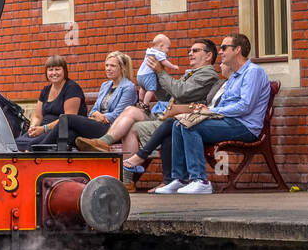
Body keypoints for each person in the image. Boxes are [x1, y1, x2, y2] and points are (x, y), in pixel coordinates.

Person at [153, 33, 271, 194]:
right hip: (228, 121)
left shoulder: (253, 72)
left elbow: (245, 106)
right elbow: (223, 104)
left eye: (224, 48)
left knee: (190, 126)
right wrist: (203, 109)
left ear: (237, 50)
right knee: (178, 123)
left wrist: (211, 111)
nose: (220, 51)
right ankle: (180, 179)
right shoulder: (234, 76)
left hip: (245, 126)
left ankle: (200, 180)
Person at [75, 38, 219, 156]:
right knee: (131, 110)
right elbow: (167, 96)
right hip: (165, 115)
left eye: (195, 51)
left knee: (132, 127)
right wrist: (152, 78)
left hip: (179, 120)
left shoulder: (207, 74)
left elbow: (181, 92)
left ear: (208, 55)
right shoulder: (191, 73)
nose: (190, 54)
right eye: (190, 51)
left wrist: (161, 72)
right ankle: (104, 143)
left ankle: (125, 172)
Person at [34, 52, 136, 147]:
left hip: (112, 129)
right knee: (70, 134)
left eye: (112, 66)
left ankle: (38, 149)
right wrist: (96, 115)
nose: (108, 69)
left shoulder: (128, 87)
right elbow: (93, 111)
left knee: (68, 118)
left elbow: (119, 115)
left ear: (122, 68)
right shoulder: (105, 85)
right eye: (107, 65)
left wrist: (101, 116)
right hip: (96, 123)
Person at [15, 55, 86, 150]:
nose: (54, 73)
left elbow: (69, 118)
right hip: (42, 129)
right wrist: (33, 127)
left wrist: (44, 128)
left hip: (63, 131)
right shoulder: (45, 90)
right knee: (16, 144)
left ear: (64, 71)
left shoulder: (72, 88)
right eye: (50, 70)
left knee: (33, 146)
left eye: (57, 69)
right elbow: (37, 116)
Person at [136, 34, 181, 110]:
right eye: (167, 48)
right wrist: (173, 66)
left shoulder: (149, 51)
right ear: (161, 46)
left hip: (140, 74)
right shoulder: (159, 53)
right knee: (151, 90)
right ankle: (145, 104)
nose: (168, 50)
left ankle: (140, 100)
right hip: (148, 75)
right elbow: (164, 62)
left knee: (143, 88)